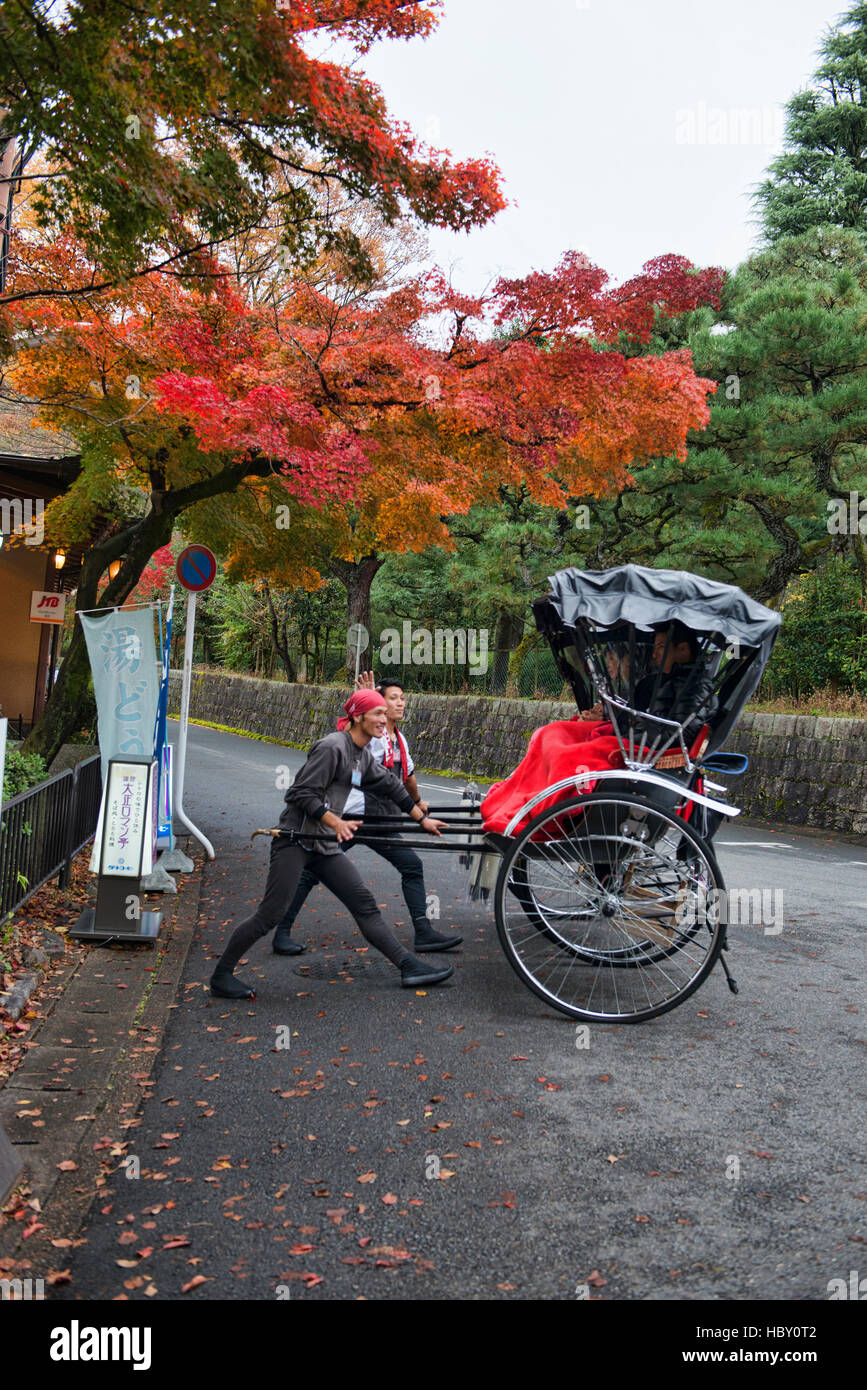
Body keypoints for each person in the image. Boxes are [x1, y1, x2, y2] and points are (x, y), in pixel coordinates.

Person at [209, 689, 455, 1000]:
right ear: (357, 716)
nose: (384, 719)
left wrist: (421, 818)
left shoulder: (361, 755)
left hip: (323, 845)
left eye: (384, 712)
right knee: (270, 914)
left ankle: (409, 966)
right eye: (377, 713)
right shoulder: (332, 747)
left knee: (363, 904)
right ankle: (221, 975)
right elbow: (299, 794)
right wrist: (335, 822)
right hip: (296, 840)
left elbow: (392, 785)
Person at [273, 674, 462, 955]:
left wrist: (418, 805)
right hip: (350, 818)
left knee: (412, 866)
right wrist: (359, 702)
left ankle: (423, 932)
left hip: (381, 820)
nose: (399, 704)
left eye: (401, 699)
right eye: (390, 700)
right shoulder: (369, 735)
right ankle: (281, 932)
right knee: (310, 872)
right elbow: (346, 734)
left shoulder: (400, 739)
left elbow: (404, 779)